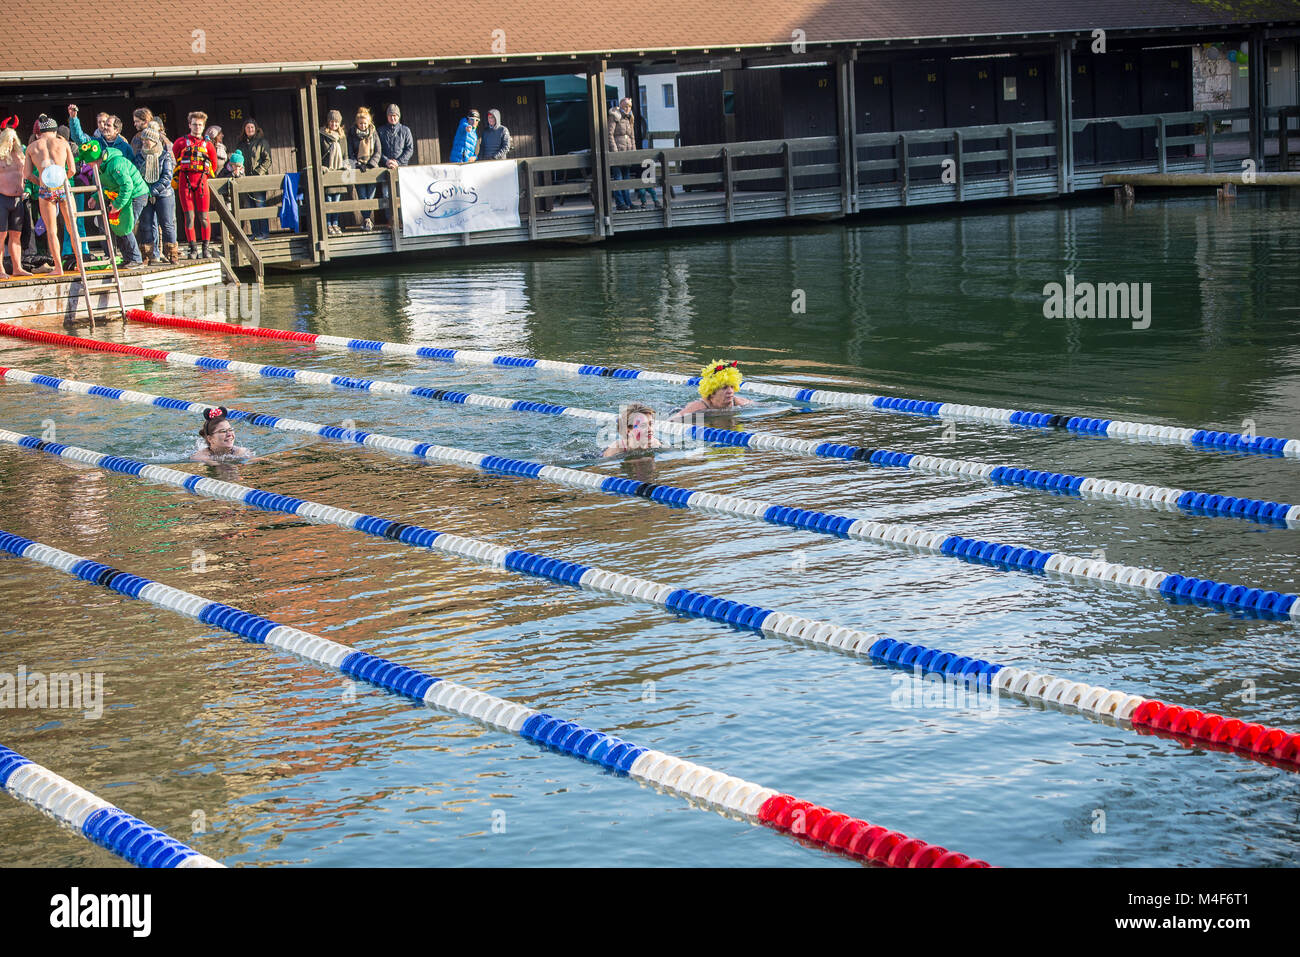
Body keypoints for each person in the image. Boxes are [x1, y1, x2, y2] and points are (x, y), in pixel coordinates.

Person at [76, 139, 149, 267]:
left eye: (90, 164)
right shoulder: (101, 167)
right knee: (117, 227)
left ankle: (136, 259)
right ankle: (127, 258)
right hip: (122, 194)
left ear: (95, 160)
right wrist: (95, 197)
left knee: (125, 226)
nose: (90, 167)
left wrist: (117, 204)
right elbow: (110, 186)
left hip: (136, 194)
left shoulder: (115, 164)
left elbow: (127, 186)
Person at [22, 115, 77, 275]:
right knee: (72, 228)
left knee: (52, 231)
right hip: (63, 187)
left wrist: (41, 182)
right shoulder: (63, 143)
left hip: (46, 189)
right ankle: (80, 265)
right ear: (54, 130)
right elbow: (72, 169)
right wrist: (62, 180)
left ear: (40, 131)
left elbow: (27, 175)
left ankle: (58, 268)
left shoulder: (32, 147)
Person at [172, 112, 218, 259]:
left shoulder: (209, 145)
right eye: (194, 124)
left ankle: (205, 248)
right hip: (185, 183)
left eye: (200, 125)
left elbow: (214, 166)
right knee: (189, 217)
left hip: (201, 184)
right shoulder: (180, 142)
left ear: (203, 127)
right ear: (189, 125)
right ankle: (193, 249)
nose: (197, 127)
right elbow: (174, 161)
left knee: (204, 217)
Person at [608, 97, 659, 211]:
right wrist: (614, 151)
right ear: (621, 105)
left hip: (627, 151)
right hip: (617, 151)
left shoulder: (630, 117)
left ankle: (628, 202)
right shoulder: (614, 116)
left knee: (626, 177)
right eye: (625, 105)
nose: (627, 108)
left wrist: (633, 152)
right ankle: (620, 203)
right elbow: (610, 134)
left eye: (629, 106)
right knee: (618, 178)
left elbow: (632, 137)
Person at [135, 126, 177, 264]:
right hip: (145, 193)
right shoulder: (139, 156)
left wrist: (153, 191)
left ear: (154, 140)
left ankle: (172, 253)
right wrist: (145, 191)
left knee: (167, 224)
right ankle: (148, 254)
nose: (145, 142)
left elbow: (167, 177)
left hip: (164, 194)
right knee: (146, 224)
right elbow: (136, 176)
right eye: (143, 140)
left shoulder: (164, 156)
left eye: (148, 139)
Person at [669, 360, 755, 420]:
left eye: (732, 387)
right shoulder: (699, 406)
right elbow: (672, 420)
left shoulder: (738, 402)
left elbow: (765, 406)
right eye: (724, 388)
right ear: (712, 392)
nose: (730, 391)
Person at [0, 128, 32, 278]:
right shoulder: (0, 156)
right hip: (2, 199)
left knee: (16, 236)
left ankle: (17, 267)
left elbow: (30, 172)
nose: (12, 142)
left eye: (14, 139)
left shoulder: (21, 156)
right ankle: (0, 269)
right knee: (1, 236)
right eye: (9, 139)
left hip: (18, 199)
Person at [234, 119, 271, 238]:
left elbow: (267, 160)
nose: (250, 129)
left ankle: (264, 232)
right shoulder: (241, 144)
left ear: (256, 129)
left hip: (258, 179)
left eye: (252, 127)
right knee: (249, 206)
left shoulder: (262, 142)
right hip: (245, 179)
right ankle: (255, 233)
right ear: (244, 129)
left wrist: (257, 173)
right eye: (248, 127)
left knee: (260, 206)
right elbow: (238, 160)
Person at [377, 104, 413, 224]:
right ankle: (391, 219)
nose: (393, 118)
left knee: (401, 194)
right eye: (390, 115)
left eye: (395, 116)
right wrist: (386, 161)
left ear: (399, 116)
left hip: (401, 168)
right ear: (387, 116)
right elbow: (377, 150)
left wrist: (398, 162)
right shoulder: (380, 131)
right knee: (387, 195)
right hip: (385, 168)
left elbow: (409, 149)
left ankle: (402, 219)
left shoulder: (405, 130)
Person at [347, 107, 380, 231]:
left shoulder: (374, 132)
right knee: (362, 195)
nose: (363, 125)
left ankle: (367, 219)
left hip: (371, 168)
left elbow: (378, 150)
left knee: (370, 196)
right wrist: (357, 164)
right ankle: (366, 219)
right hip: (359, 168)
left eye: (365, 123)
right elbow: (350, 152)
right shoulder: (352, 133)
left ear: (369, 123)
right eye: (360, 123)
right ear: (357, 122)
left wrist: (371, 163)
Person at [320, 110, 347, 235]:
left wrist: (347, 166)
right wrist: (321, 167)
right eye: (332, 121)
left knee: (337, 200)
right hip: (327, 172)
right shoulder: (322, 135)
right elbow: (319, 153)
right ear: (328, 122)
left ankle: (335, 224)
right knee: (328, 199)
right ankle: (328, 225)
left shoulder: (342, 137)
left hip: (339, 172)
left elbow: (345, 154)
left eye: (336, 122)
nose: (334, 124)